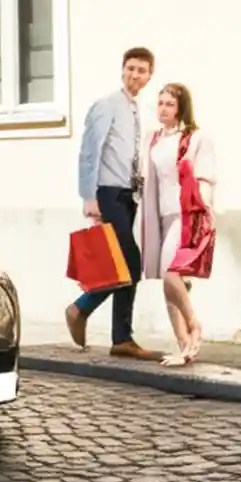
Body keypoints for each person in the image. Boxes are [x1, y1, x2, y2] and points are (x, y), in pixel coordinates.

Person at [65, 47, 161, 361]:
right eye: (131, 68)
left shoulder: (141, 110)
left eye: (142, 70)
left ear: (149, 76)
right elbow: (89, 151)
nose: (135, 75)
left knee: (123, 265)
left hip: (127, 195)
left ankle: (121, 337)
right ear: (122, 70)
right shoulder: (107, 105)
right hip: (106, 193)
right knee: (130, 263)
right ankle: (82, 309)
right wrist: (89, 196)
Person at [139, 82, 216, 366]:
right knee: (168, 283)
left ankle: (195, 325)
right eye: (160, 103)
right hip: (161, 216)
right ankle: (185, 347)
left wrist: (205, 212)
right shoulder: (153, 139)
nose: (163, 109)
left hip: (186, 214)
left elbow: (205, 176)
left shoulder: (195, 138)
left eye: (170, 104)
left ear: (181, 107)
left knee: (173, 274)